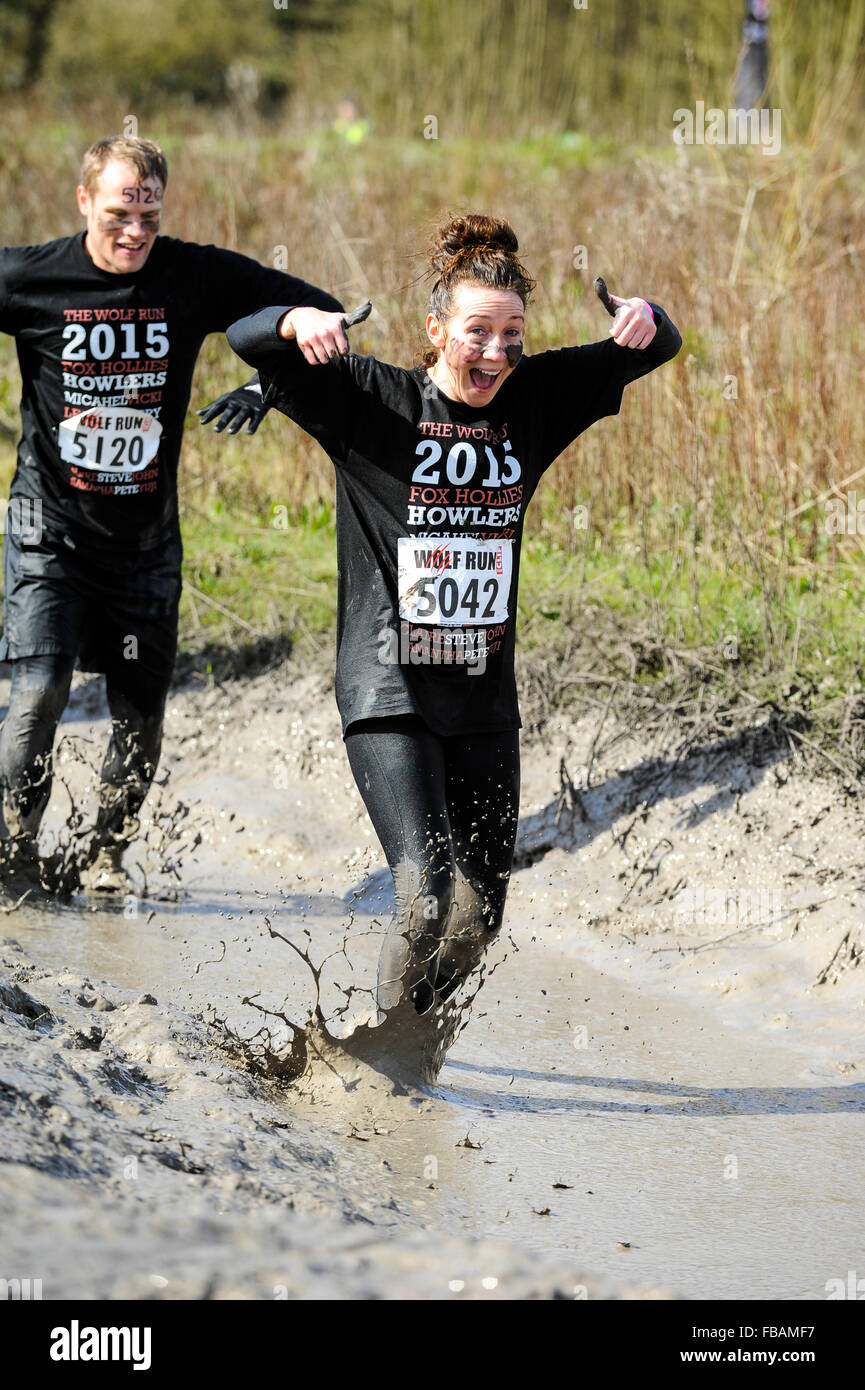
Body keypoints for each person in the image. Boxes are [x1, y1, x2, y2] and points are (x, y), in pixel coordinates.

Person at [225, 214, 681, 1015]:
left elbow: (661, 345)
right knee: (425, 899)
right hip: (387, 682)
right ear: (437, 330)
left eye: (512, 334)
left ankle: (405, 1038)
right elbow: (246, 337)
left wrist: (646, 315)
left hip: (480, 697)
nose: (495, 353)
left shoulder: (537, 397)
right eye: (477, 333)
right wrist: (294, 320)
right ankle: (387, 1068)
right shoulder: (374, 399)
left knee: (477, 920)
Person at [0, 135, 342, 894]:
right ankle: (14, 859)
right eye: (120, 213)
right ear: (85, 200)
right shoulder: (29, 277)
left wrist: (268, 380)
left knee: (139, 716)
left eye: (148, 218)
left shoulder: (192, 274)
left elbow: (317, 310)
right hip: (46, 531)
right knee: (38, 693)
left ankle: (103, 858)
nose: (134, 234)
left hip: (144, 541)